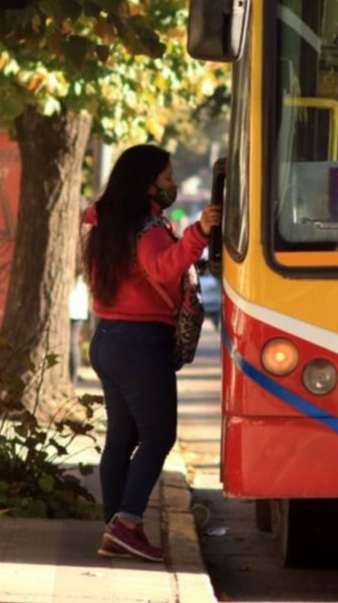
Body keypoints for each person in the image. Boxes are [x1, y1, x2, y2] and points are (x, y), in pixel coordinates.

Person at [81, 144, 220, 561]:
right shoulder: (149, 227)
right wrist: (198, 233)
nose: (172, 185)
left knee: (121, 439)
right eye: (167, 177)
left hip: (107, 339)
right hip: (140, 344)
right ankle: (126, 524)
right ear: (146, 183)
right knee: (158, 436)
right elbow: (162, 267)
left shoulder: (106, 223)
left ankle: (116, 529)